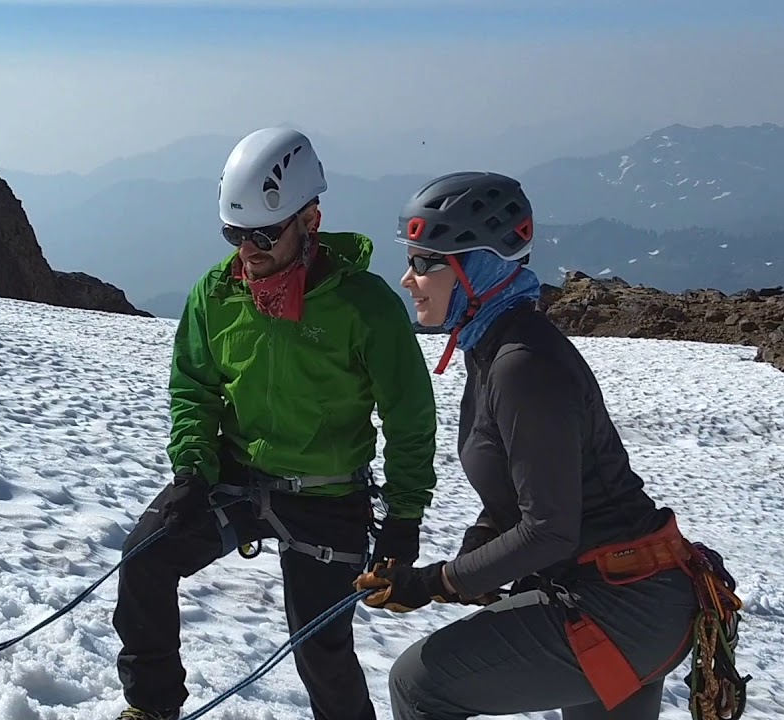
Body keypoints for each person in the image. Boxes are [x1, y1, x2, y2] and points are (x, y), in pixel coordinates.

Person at [352, 171, 744, 720]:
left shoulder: (521, 365)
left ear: (476, 267)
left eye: (426, 262)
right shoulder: (495, 344)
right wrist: (475, 554)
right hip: (632, 597)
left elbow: (549, 528)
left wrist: (438, 582)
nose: (408, 278)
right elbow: (526, 493)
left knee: (420, 684)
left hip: (614, 607)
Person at [111, 127, 441, 720]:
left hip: (329, 493)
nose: (248, 249)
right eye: (235, 233)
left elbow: (409, 415)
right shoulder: (217, 294)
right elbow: (195, 386)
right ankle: (152, 709)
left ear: (309, 221)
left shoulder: (363, 307)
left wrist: (403, 518)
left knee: (321, 652)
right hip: (237, 475)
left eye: (263, 232)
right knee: (144, 558)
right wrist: (192, 467)